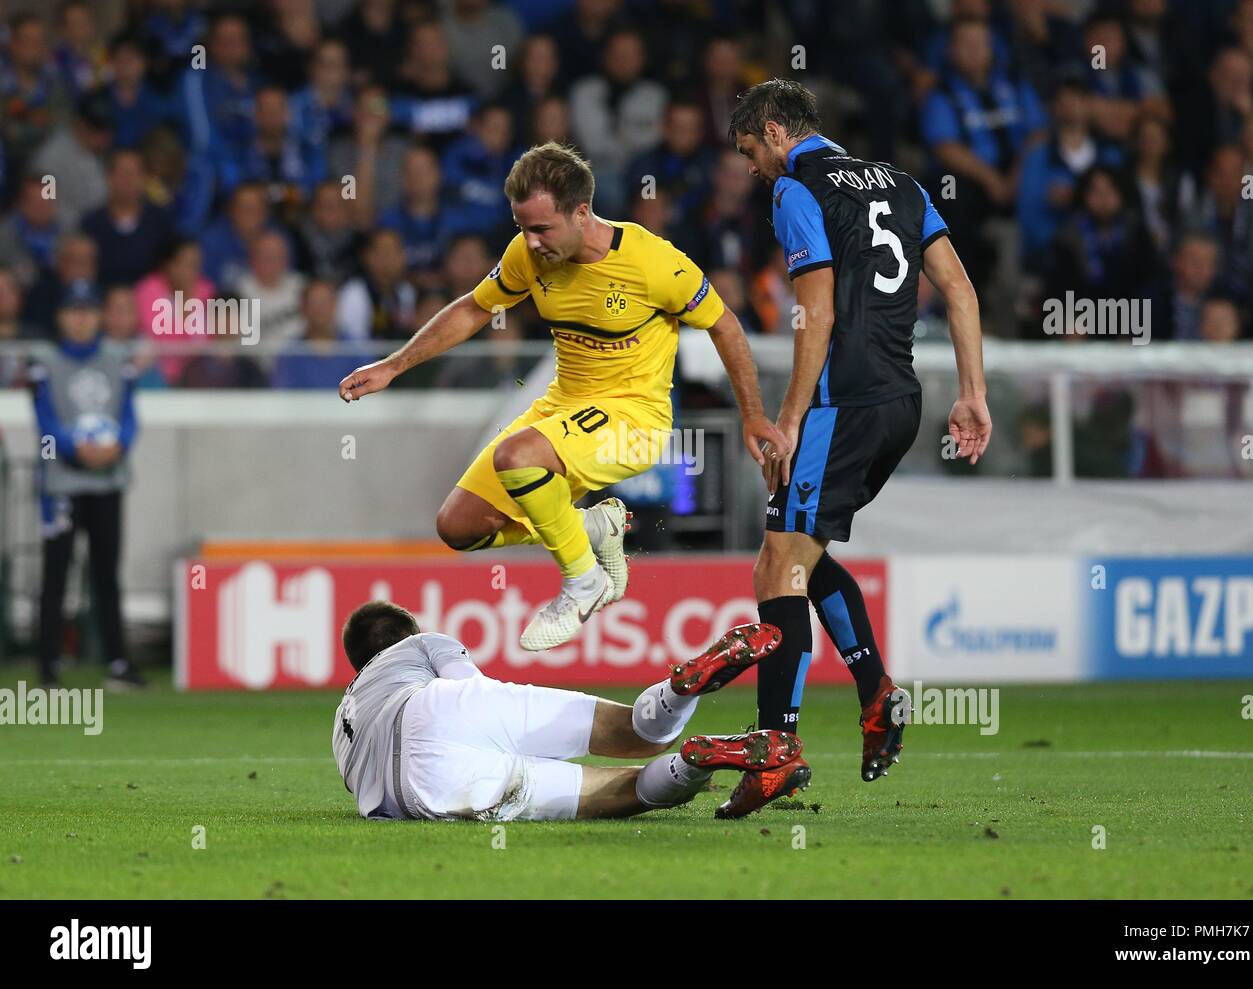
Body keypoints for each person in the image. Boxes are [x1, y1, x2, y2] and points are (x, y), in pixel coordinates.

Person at [338, 143, 786, 651]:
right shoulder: (528, 254)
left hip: (636, 422)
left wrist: (753, 416)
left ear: (580, 213)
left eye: (541, 229)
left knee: (517, 456)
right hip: (564, 406)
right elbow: (473, 309)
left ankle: (583, 582)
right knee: (459, 526)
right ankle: (592, 526)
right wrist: (394, 365)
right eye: (521, 228)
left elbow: (726, 328)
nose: (530, 242)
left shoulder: (654, 263)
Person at [727, 79, 992, 818]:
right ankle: (874, 692)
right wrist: (972, 391)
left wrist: (787, 415)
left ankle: (776, 750)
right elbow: (961, 289)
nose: (753, 167)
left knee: (779, 565)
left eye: (751, 150)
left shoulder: (796, 187)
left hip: (842, 403)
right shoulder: (903, 184)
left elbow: (817, 306)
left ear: (776, 132)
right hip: (902, 402)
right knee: (793, 555)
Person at [332, 603, 802, 821]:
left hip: (422, 793)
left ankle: (692, 764)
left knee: (626, 793)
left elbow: (359, 784)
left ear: (357, 662)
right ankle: (678, 693)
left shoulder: (342, 718)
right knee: (638, 731)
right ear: (409, 629)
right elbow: (466, 687)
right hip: (439, 706)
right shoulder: (421, 643)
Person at [29, 281, 144, 689]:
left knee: (107, 573)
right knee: (56, 573)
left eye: (87, 311)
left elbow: (130, 416)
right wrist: (76, 449)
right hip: (60, 484)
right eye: (72, 311)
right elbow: (44, 419)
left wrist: (119, 446)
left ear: (98, 316)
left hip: (107, 482)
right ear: (61, 317)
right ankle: (48, 664)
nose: (80, 320)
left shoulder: (118, 361)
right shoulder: (45, 363)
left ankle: (117, 662)